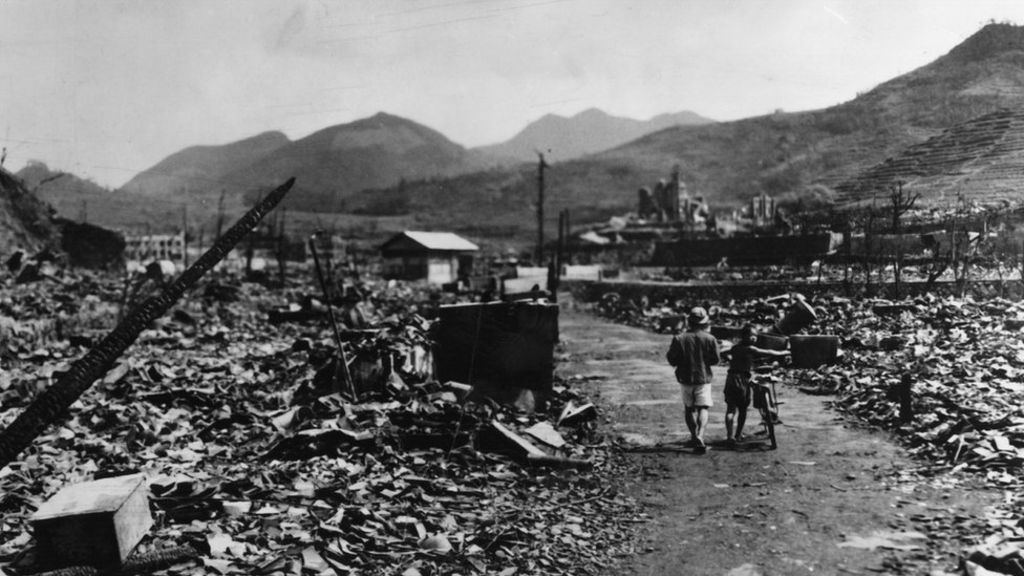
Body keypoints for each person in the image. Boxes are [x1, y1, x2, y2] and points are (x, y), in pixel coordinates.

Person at [720, 325, 789, 445]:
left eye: (755, 336)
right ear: (745, 336)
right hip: (742, 379)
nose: (754, 338)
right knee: (742, 409)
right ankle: (738, 434)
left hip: (731, 378)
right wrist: (785, 352)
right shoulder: (750, 348)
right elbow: (768, 352)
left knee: (731, 409)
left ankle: (729, 436)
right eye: (752, 336)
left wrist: (730, 359)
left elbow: (723, 352)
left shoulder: (735, 348)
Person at [666, 306, 719, 453]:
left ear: (689, 322)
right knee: (703, 407)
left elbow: (671, 359)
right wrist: (704, 361)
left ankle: (693, 435)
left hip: (685, 377)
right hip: (703, 378)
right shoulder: (710, 339)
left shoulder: (679, 338)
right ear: (704, 323)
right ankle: (700, 435)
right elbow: (715, 360)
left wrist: (682, 362)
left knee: (689, 409)